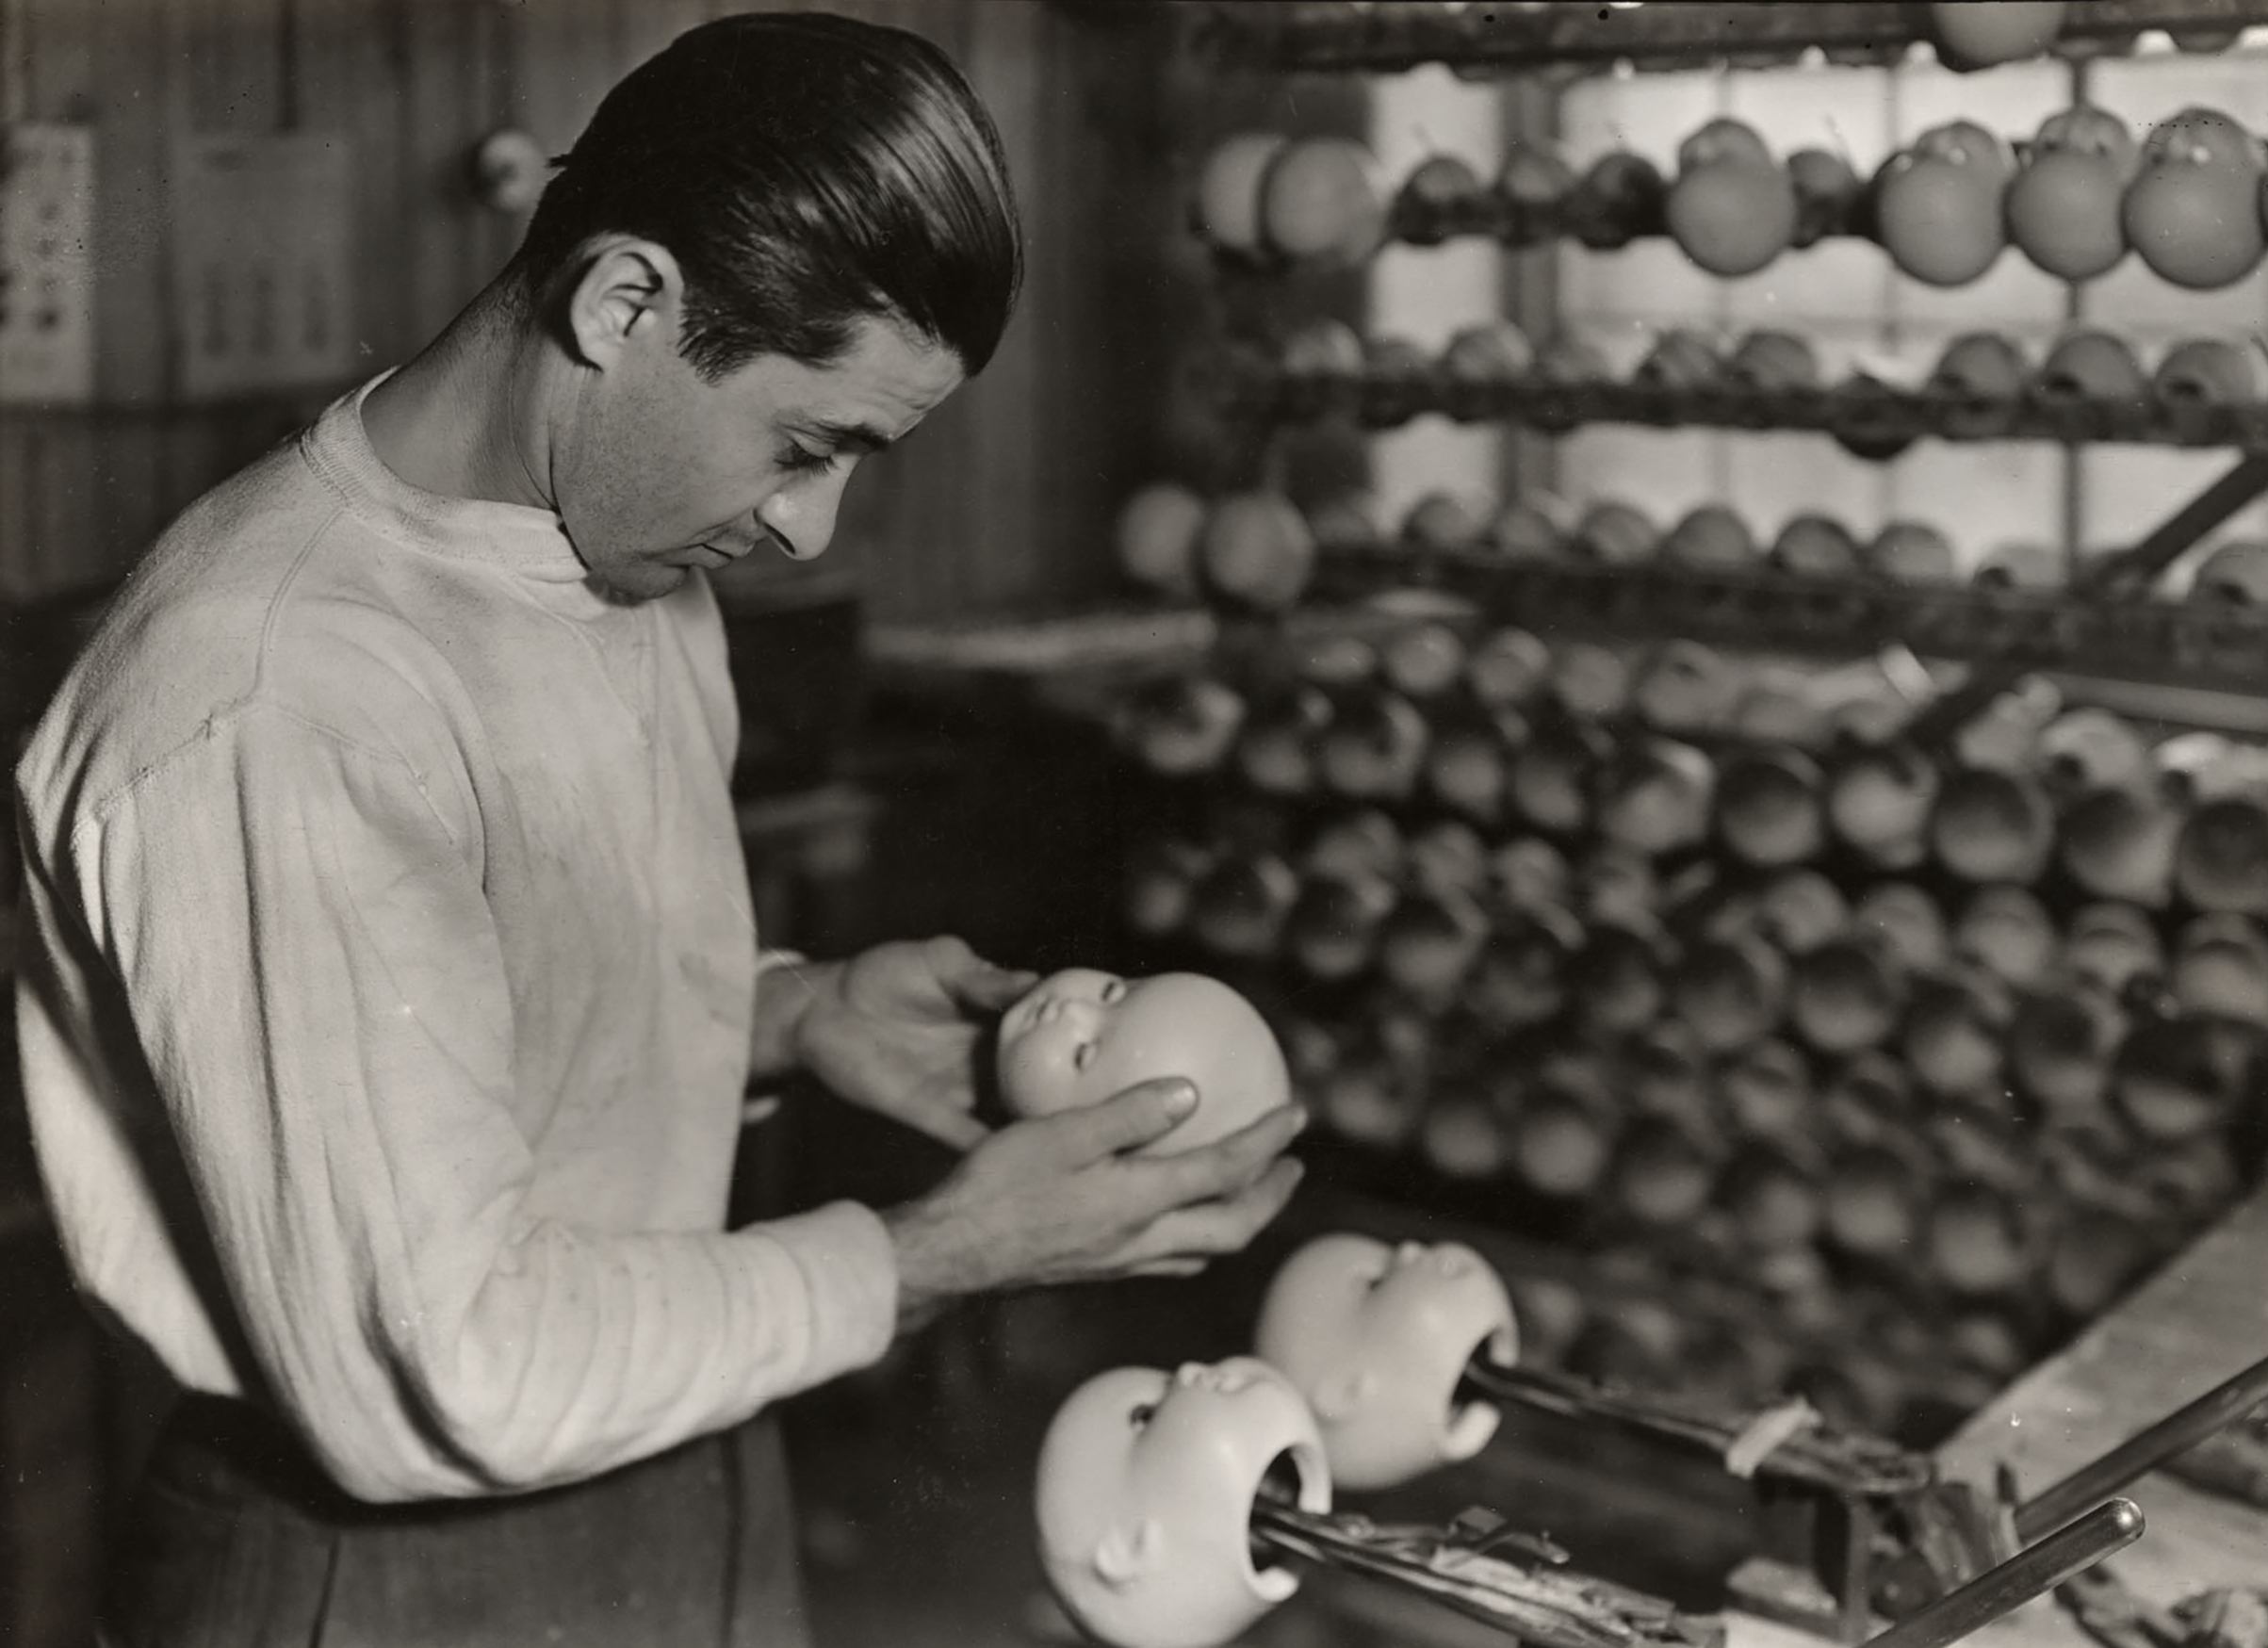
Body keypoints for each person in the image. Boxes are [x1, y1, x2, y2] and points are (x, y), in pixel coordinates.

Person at [10, 13, 1305, 1646]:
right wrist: (930, 1255)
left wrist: (788, 1013)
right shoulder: (272, 701)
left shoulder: (622, 546)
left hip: (685, 1440)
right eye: (806, 441)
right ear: (624, 303)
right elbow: (450, 1364)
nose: (808, 520)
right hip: (390, 1558)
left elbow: (463, 1023)